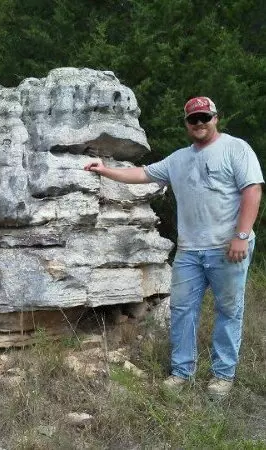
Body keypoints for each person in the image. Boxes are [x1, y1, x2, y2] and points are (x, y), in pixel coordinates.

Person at [84, 97, 264, 397]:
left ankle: (222, 376)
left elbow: (252, 190)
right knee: (182, 310)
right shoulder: (179, 159)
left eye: (205, 117)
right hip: (190, 250)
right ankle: (182, 372)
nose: (199, 124)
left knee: (228, 311)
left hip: (227, 247)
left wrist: (241, 236)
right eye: (193, 119)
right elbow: (142, 174)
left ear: (215, 118)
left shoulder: (236, 148)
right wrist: (104, 169)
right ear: (187, 124)